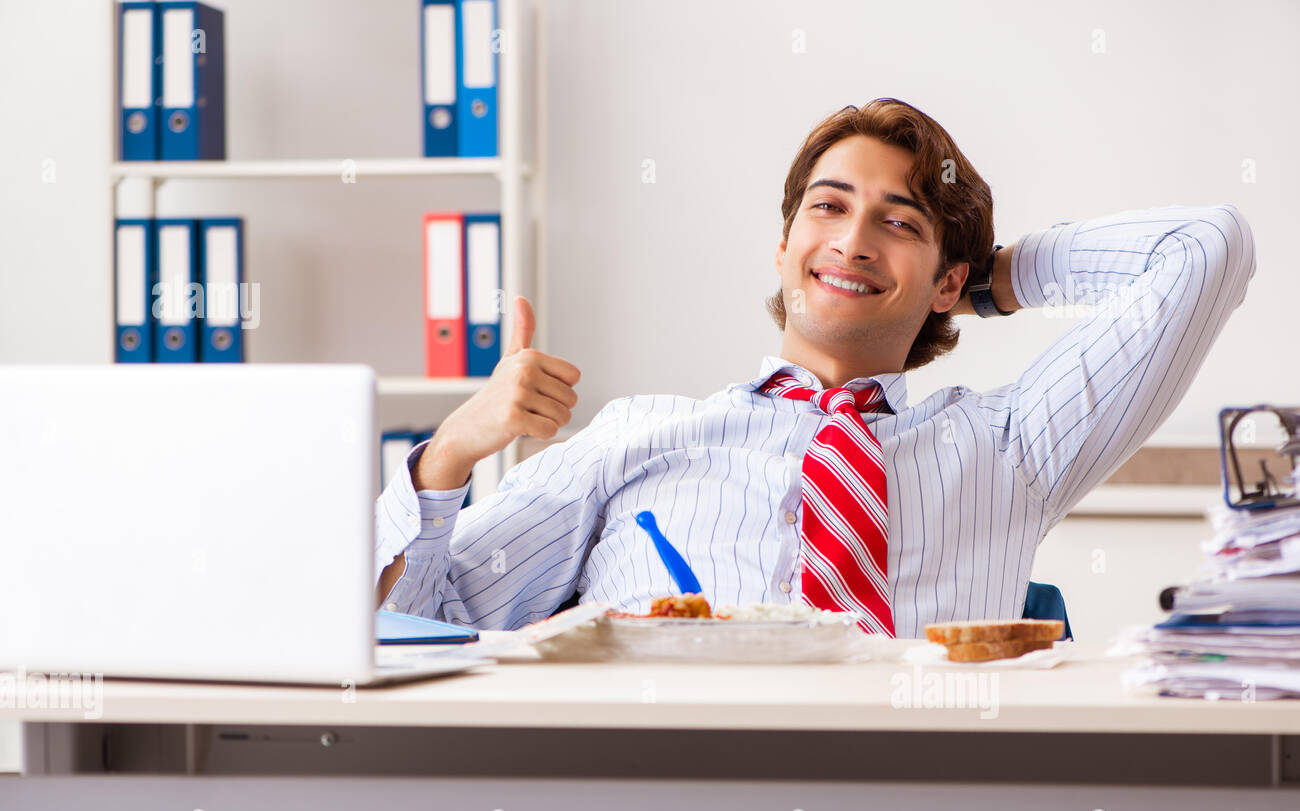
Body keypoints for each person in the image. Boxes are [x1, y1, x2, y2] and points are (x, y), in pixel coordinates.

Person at [374, 98, 1256, 638]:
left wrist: (989, 277)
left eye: (900, 222)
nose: (851, 240)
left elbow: (1205, 249)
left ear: (946, 277)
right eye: (827, 208)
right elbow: (421, 626)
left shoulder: (1010, 446)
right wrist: (453, 449)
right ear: (786, 244)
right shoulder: (639, 433)